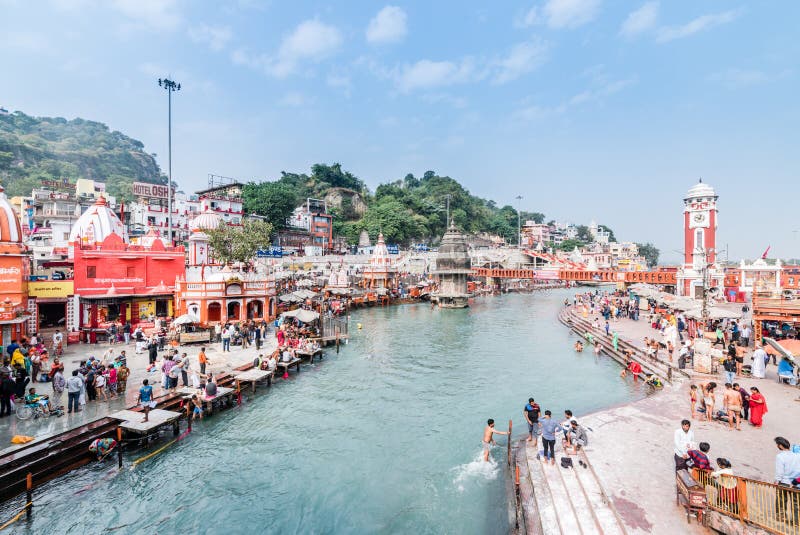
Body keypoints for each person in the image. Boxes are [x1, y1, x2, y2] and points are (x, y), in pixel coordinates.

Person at [774, 436, 800, 523]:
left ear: (781, 446)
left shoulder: (780, 456)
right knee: (796, 503)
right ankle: (796, 521)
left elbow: (779, 471)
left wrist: (777, 481)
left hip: (784, 482)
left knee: (781, 500)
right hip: (796, 483)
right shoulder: (797, 456)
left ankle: (781, 517)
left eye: (777, 444)